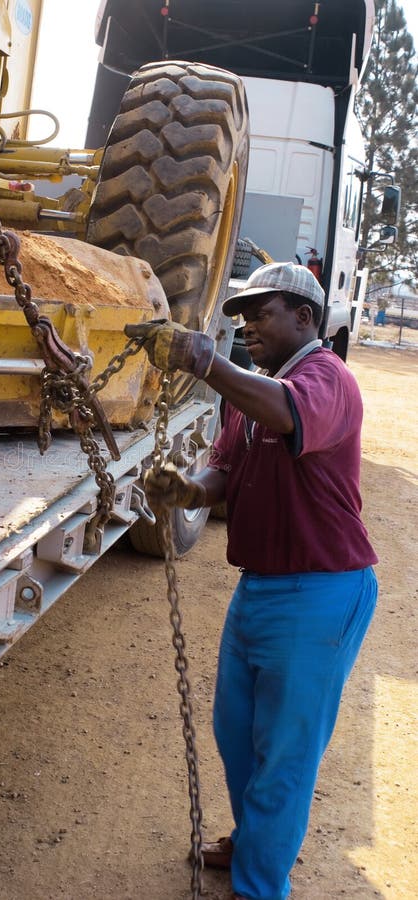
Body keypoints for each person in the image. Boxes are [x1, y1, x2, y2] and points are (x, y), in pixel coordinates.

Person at [124, 261, 378, 900]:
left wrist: (205, 361)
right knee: (237, 732)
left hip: (320, 589)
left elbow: (289, 414)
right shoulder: (251, 396)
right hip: (261, 587)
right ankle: (253, 840)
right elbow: (224, 472)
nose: (248, 329)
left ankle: (260, 885)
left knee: (284, 752)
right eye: (240, 319)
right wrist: (188, 490)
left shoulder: (326, 378)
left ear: (305, 317)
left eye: (261, 314)